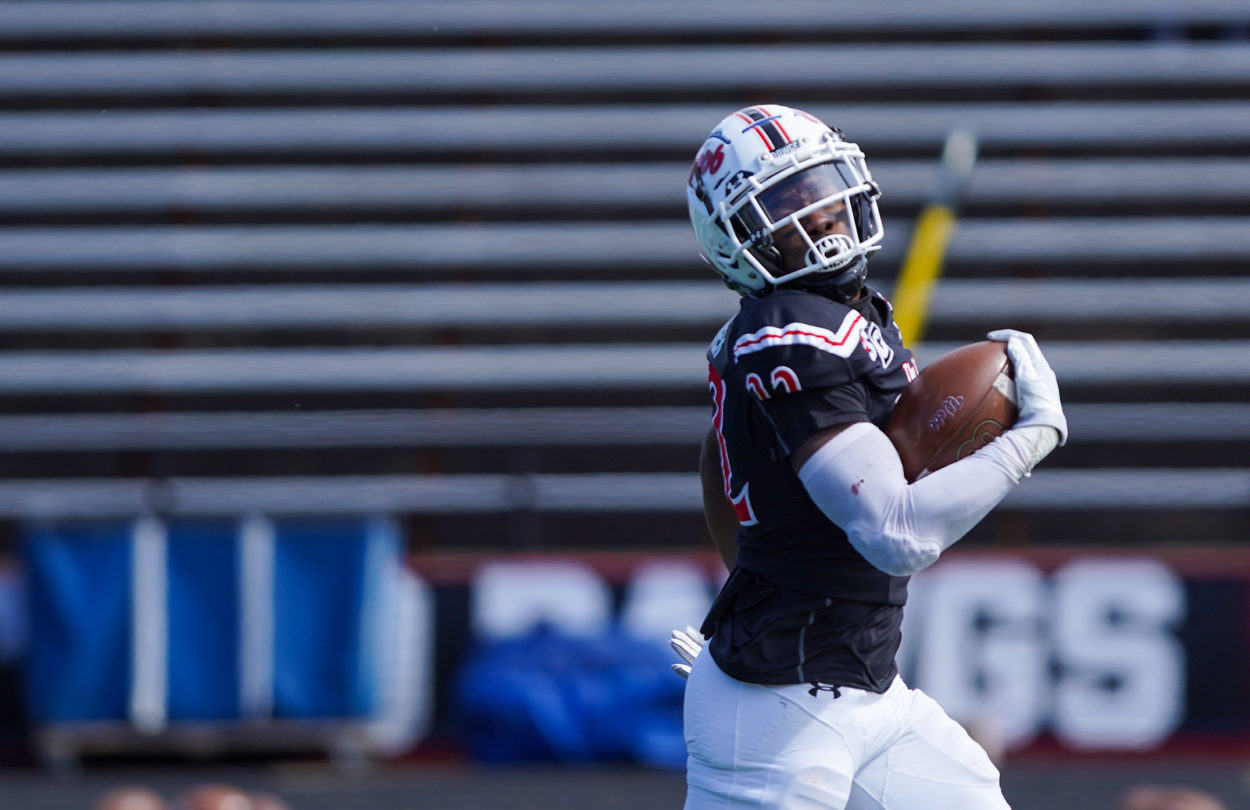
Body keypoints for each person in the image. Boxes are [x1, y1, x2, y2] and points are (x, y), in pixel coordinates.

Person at [673, 104, 1068, 809]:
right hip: (776, 715)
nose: (819, 211)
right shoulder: (788, 331)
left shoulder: (836, 319)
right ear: (735, 239)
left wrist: (757, 596)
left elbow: (718, 460)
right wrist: (1030, 439)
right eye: (784, 201)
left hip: (865, 691)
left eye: (820, 185)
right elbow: (896, 531)